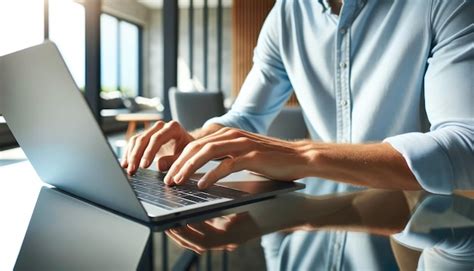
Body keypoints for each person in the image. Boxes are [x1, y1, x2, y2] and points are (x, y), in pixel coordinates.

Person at [122, 0, 474, 269]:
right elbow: (247, 115)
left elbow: (467, 143)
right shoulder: (286, 13)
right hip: (321, 217)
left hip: (426, 220)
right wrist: (200, 138)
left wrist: (301, 156)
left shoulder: (442, 4)